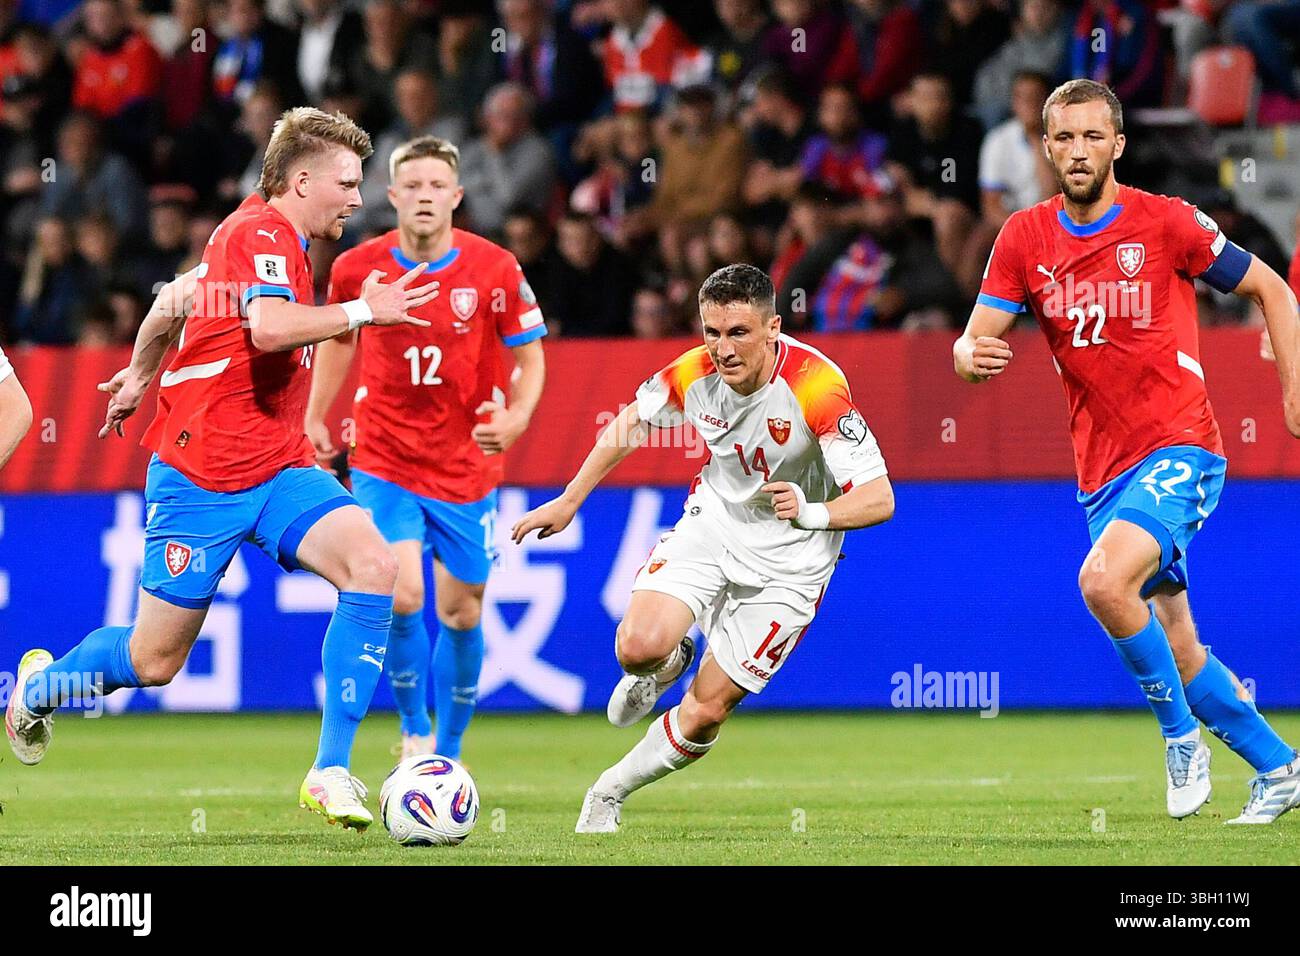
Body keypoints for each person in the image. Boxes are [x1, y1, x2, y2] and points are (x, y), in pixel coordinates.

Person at [4, 107, 440, 832]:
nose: (357, 198)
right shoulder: (259, 232)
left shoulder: (267, 237)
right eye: (348, 182)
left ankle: (331, 771)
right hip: (201, 479)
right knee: (151, 663)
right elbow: (269, 329)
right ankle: (40, 689)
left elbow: (172, 301)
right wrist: (365, 310)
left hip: (278, 467)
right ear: (302, 181)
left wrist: (140, 375)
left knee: (375, 566)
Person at [955, 79, 1300, 824]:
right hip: (1102, 474)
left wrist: (1294, 398)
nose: (1078, 151)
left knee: (1103, 583)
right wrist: (966, 355)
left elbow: (1272, 287)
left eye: (1092, 137)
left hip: (1181, 445)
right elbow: (972, 338)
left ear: (1117, 144)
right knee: (1180, 649)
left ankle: (1181, 739)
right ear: (1045, 148)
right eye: (1064, 139)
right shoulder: (1023, 238)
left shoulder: (1167, 223)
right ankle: (1278, 768)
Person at [512, 263, 895, 832]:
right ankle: (666, 663)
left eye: (738, 333)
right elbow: (629, 424)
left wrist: (813, 512)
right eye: (711, 332)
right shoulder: (694, 371)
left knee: (707, 709)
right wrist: (570, 500)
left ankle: (607, 791)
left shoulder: (816, 386)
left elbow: (879, 497)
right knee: (636, 648)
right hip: (714, 526)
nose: (722, 348)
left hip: (792, 565)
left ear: (772, 328)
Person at [306, 135, 547, 761]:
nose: (423, 196)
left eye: (436, 186)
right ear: (391, 197)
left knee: (462, 612)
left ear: (457, 197)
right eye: (411, 185)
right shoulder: (356, 268)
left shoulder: (494, 268)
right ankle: (415, 732)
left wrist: (518, 416)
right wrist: (313, 414)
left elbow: (531, 355)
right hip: (383, 456)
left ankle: (452, 747)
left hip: (467, 463)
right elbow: (337, 341)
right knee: (403, 592)